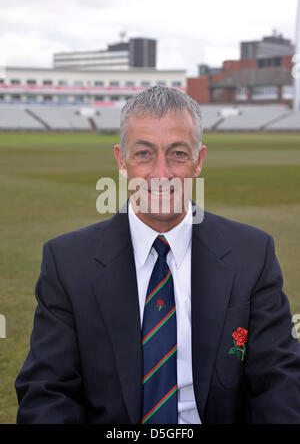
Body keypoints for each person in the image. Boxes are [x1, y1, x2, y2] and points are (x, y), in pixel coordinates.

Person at [15, 86, 300, 424]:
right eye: (144, 154)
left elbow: (279, 380)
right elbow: (48, 390)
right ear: (122, 161)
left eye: (178, 153)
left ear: (199, 161)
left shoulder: (252, 254)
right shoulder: (67, 262)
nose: (161, 174)